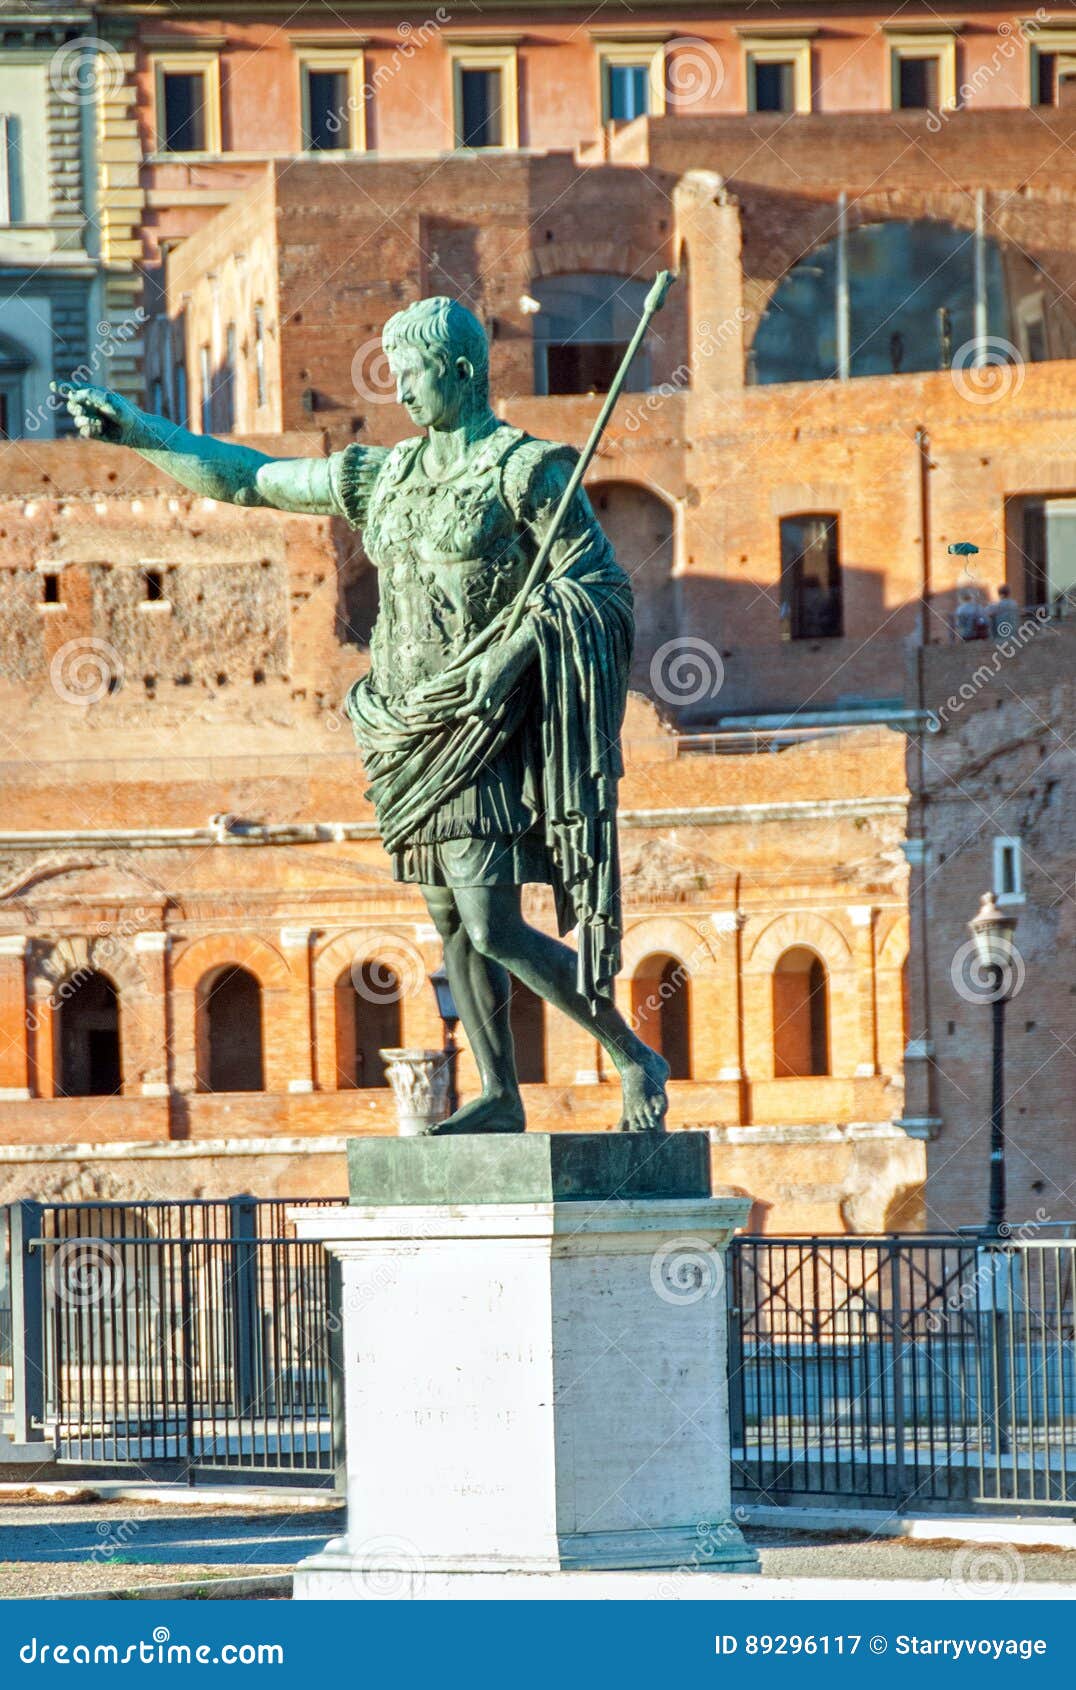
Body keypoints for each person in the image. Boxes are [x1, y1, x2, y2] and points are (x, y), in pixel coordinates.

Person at [59, 296, 670, 1134]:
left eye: (414, 375)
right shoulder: (383, 477)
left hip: (479, 726)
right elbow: (249, 479)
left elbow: (597, 588)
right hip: (399, 729)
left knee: (491, 925)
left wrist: (507, 655)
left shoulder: (528, 471)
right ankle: (498, 1093)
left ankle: (633, 1055)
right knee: (452, 918)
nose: (404, 393)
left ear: (460, 370)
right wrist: (141, 432)